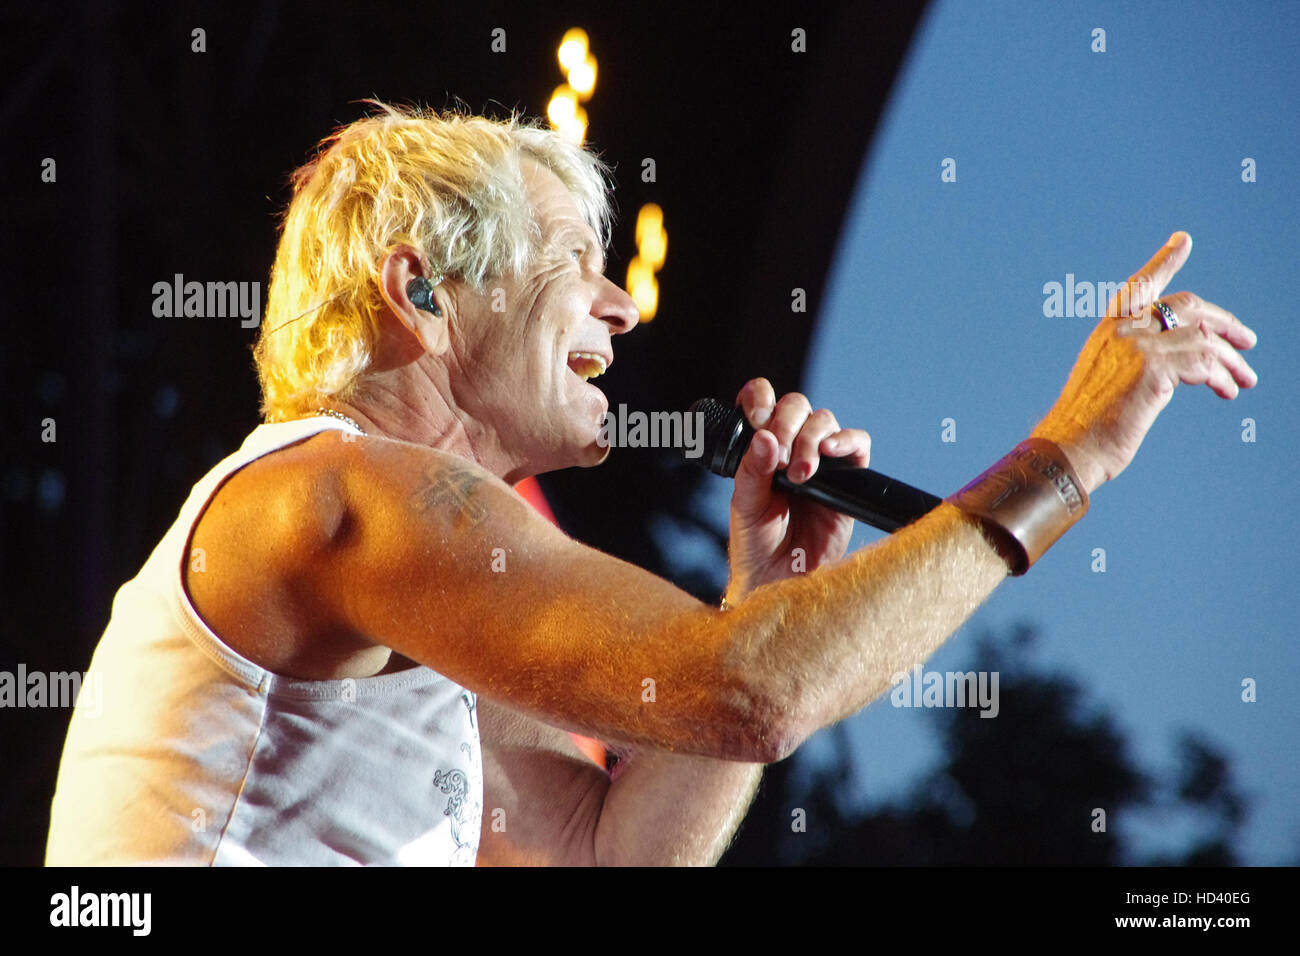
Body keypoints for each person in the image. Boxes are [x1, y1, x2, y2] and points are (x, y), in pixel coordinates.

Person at [45, 102, 1259, 866]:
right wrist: (1071, 453)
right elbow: (752, 693)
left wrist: (762, 592)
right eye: (577, 262)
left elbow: (601, 851)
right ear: (421, 294)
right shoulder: (334, 494)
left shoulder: (417, 582)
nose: (621, 305)